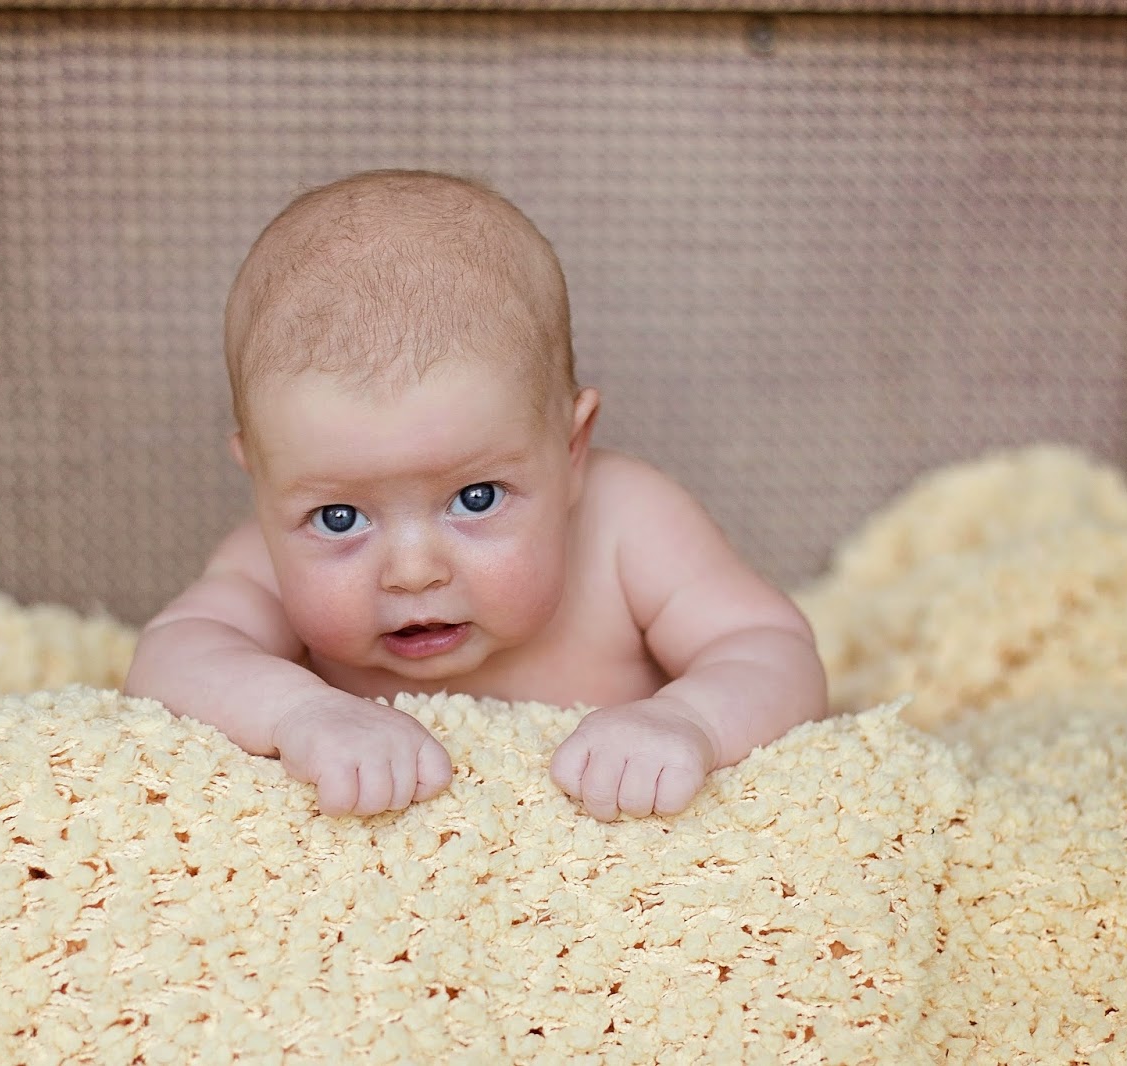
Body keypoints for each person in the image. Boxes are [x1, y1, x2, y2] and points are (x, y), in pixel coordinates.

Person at [125, 169, 827, 821]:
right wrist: (298, 713)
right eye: (339, 517)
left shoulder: (629, 524)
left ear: (571, 449)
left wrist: (689, 721)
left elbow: (769, 648)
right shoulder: (262, 561)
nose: (412, 571)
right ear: (261, 480)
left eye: (477, 497)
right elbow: (170, 657)